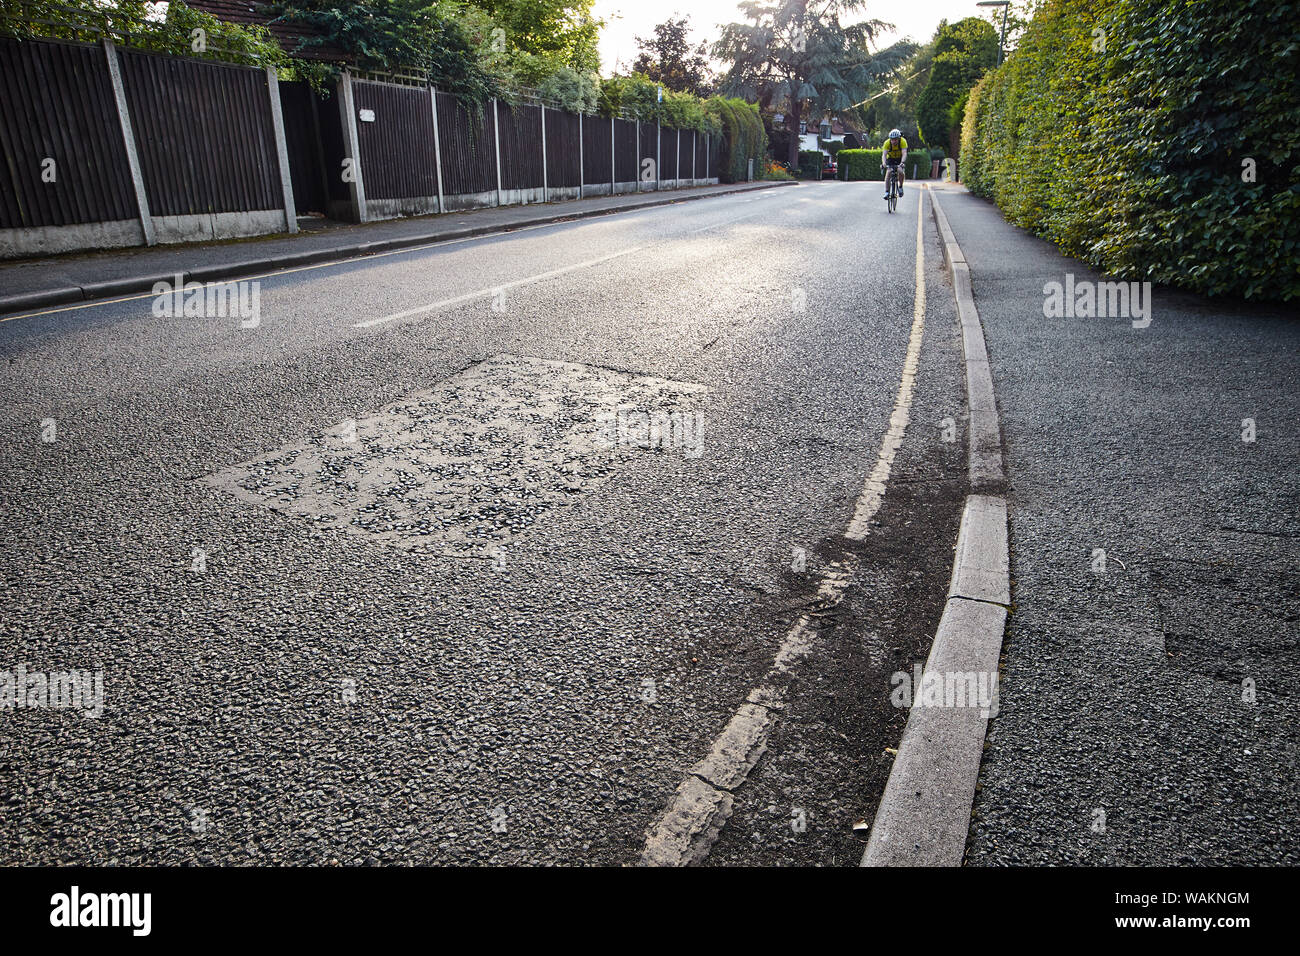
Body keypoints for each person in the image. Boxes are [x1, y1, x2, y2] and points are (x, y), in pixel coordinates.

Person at [881, 129, 907, 198]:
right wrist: (884, 163)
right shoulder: (887, 143)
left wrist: (902, 162)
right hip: (891, 159)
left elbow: (904, 153)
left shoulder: (903, 141)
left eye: (895, 139)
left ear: (899, 139)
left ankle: (900, 187)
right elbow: (884, 155)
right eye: (892, 139)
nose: (894, 141)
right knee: (888, 172)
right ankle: (887, 192)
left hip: (899, 159)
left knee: (900, 172)